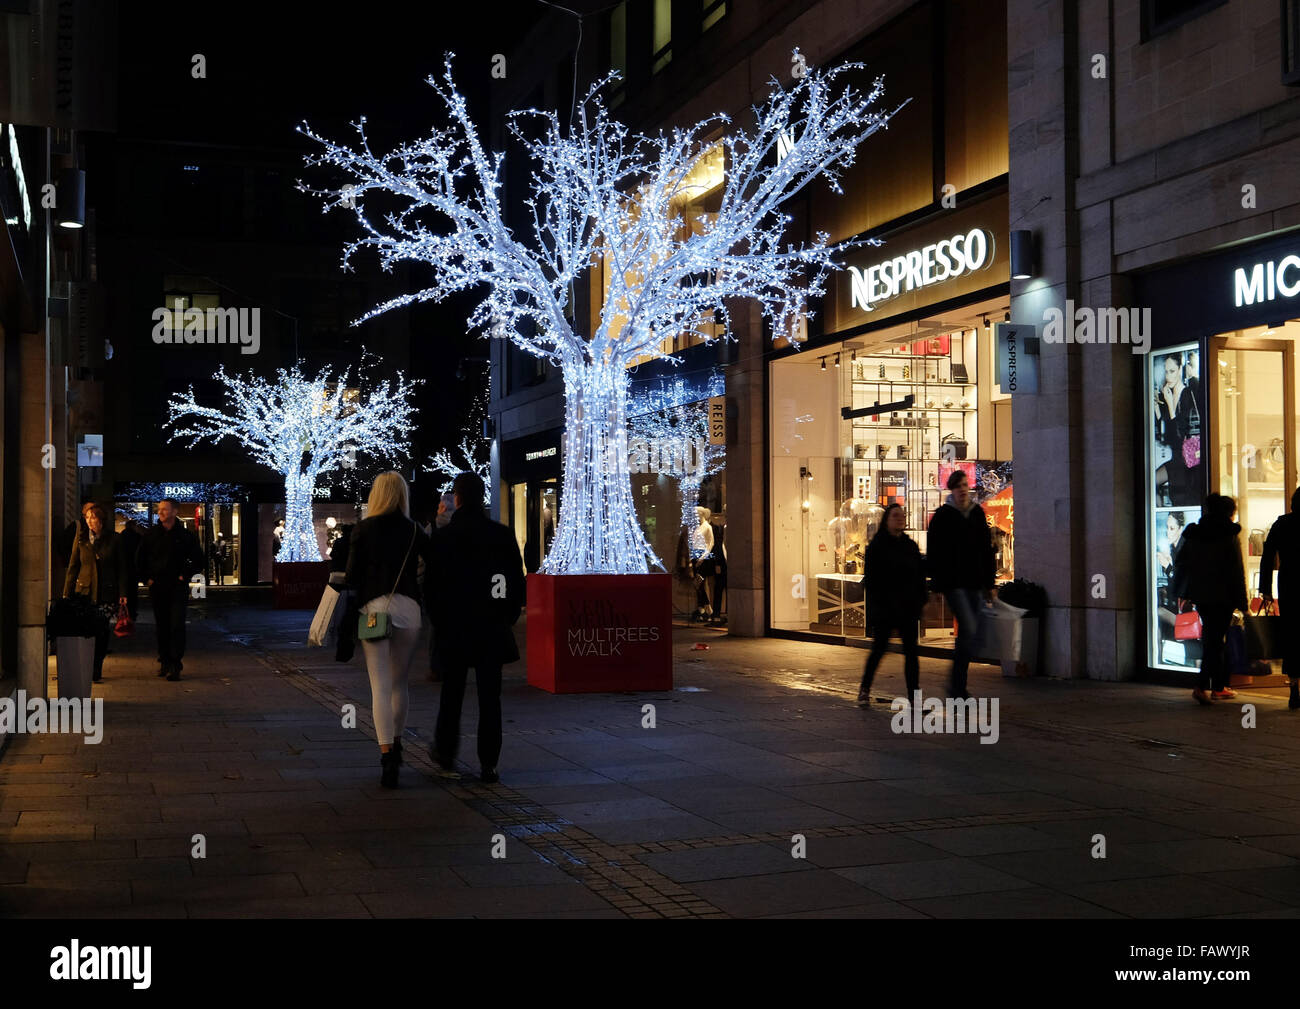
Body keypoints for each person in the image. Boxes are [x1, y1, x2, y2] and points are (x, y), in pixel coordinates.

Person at [427, 471, 525, 784]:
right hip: (490, 625)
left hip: (455, 626)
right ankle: (489, 763)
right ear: (481, 497)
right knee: (490, 697)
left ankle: (445, 752)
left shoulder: (443, 539)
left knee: (451, 693)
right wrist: (506, 616)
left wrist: (439, 622)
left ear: (457, 498)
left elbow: (432, 588)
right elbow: (514, 582)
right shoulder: (501, 534)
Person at [346, 472, 432, 788]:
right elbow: (433, 563)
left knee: (379, 686)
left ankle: (387, 757)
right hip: (409, 607)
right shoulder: (414, 530)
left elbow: (352, 576)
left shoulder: (364, 529)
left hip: (374, 609)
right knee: (400, 684)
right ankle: (397, 742)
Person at [1172, 493, 1248, 705]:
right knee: (1215, 641)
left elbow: (1180, 560)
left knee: (1213, 639)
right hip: (1224, 595)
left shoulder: (1195, 533)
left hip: (1201, 594)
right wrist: (1243, 602)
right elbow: (1236, 570)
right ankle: (1204, 685)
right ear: (1229, 513)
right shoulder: (1229, 535)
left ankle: (1218, 686)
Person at [926, 470, 995, 699]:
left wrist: (989, 582)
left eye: (965, 485)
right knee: (969, 628)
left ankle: (958, 687)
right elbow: (935, 553)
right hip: (954, 584)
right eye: (958, 487)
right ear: (952, 490)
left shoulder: (976, 513)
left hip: (975, 582)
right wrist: (937, 585)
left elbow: (987, 549)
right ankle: (956, 687)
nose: (963, 490)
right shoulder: (943, 516)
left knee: (968, 634)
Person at [857, 503, 926, 707]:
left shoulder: (910, 546)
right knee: (879, 649)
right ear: (887, 519)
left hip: (908, 607)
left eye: (902, 516)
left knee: (911, 653)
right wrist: (879, 604)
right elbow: (871, 579)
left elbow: (919, 576)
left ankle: (914, 695)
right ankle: (865, 688)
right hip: (886, 608)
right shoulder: (877, 546)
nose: (900, 519)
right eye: (895, 515)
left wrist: (921, 601)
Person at [136, 499, 204, 681]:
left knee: (176, 625)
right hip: (158, 586)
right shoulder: (151, 535)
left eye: (165, 510)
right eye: (159, 510)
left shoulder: (184, 536)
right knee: (162, 626)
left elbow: (198, 559)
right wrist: (146, 579)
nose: (161, 513)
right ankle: (165, 660)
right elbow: (140, 560)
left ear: (174, 512)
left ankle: (175, 664)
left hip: (176, 586)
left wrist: (184, 575)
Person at [63, 502, 129, 683]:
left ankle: (96, 666)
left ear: (101, 520)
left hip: (107, 593)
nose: (90, 521)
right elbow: (73, 566)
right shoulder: (81, 538)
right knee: (86, 630)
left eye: (94, 518)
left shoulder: (114, 539)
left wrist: (123, 593)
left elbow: (122, 568)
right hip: (84, 591)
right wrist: (66, 593)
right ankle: (86, 665)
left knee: (101, 632)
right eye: (87, 518)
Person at [1260, 487, 1300, 709]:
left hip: (1290, 584)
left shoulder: (1282, 524)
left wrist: (1265, 588)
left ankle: (1294, 688)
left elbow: (1267, 556)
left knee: (1292, 635)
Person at [1154, 352, 1201, 506]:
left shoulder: (1187, 394)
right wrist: (1157, 410)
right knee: (1152, 482)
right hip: (1176, 457)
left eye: (1172, 371)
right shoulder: (1168, 395)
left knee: (1183, 496)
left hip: (1187, 460)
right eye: (1166, 372)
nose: (1169, 377)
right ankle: (1159, 510)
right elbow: (1166, 436)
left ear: (1180, 370)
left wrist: (1170, 407)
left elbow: (1180, 434)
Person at [117, 515, 144, 621]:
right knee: (133, 591)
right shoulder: (138, 537)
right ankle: (132, 612)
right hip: (133, 568)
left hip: (124, 567)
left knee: (124, 590)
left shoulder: (120, 537)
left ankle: (124, 611)